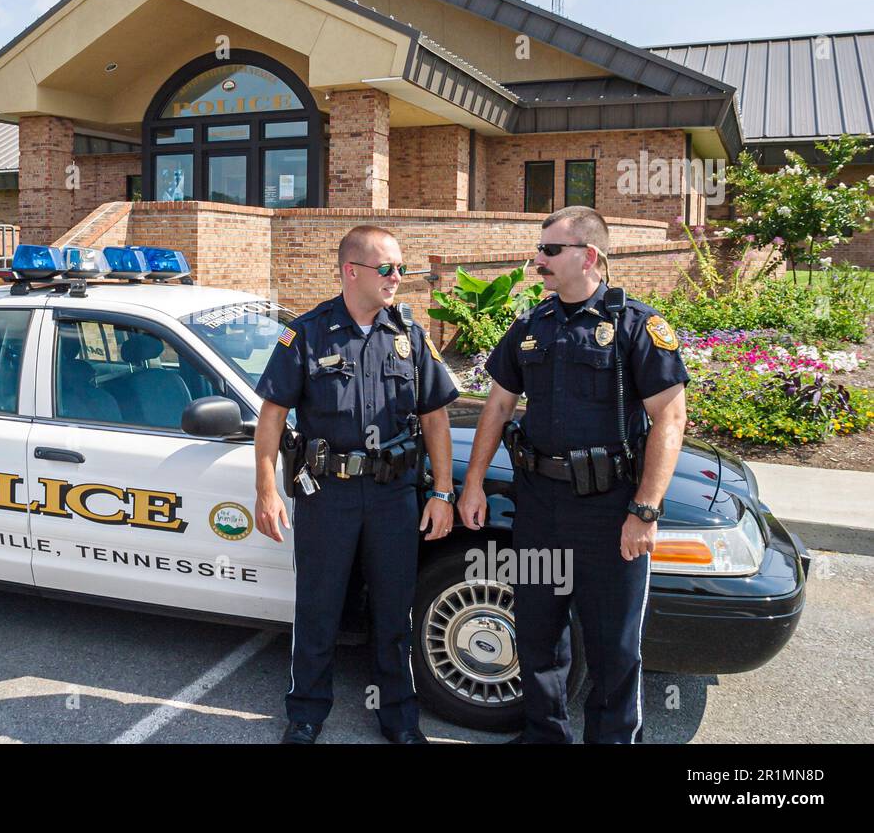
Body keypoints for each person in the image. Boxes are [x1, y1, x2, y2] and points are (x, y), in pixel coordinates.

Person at [457, 205, 688, 744]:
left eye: (550, 250)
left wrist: (645, 510)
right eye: (540, 249)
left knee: (613, 644)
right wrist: (472, 484)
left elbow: (670, 419)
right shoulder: (531, 325)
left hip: (609, 512)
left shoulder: (636, 325)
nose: (538, 260)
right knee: (539, 632)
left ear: (589, 256)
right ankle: (544, 736)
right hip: (540, 508)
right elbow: (496, 408)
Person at [254, 225, 460, 744]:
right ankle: (305, 715)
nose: (397, 278)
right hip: (328, 494)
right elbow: (272, 416)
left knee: (394, 610)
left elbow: (435, 416)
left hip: (393, 496)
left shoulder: (409, 336)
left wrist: (441, 492)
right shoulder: (307, 333)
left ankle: (399, 718)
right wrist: (266, 489)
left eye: (401, 268)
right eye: (387, 268)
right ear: (352, 272)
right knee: (318, 607)